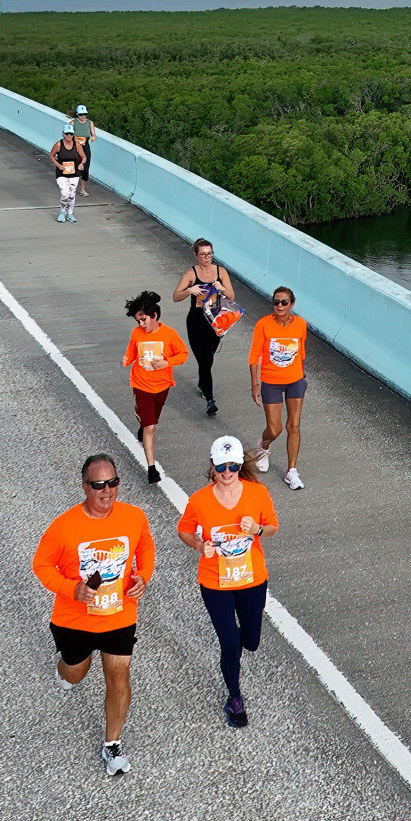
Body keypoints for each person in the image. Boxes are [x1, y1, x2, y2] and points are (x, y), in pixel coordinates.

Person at [31, 454, 154, 776]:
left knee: (119, 676)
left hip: (119, 614)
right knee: (75, 673)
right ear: (85, 487)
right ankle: (65, 671)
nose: (107, 491)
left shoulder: (133, 517)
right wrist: (72, 589)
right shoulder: (64, 526)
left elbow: (145, 548)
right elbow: (41, 565)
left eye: (113, 482)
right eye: (98, 484)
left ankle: (112, 744)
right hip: (75, 620)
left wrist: (144, 576)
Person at [177, 436, 276, 729]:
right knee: (230, 643)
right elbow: (184, 530)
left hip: (251, 580)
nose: (228, 472)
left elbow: (272, 527)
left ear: (240, 465)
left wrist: (256, 529)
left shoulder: (257, 493)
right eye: (222, 466)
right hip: (215, 581)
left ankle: (239, 642)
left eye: (233, 466)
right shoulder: (199, 500)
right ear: (212, 466)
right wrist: (198, 545)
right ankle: (235, 699)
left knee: (251, 642)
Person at [121, 290, 189, 484]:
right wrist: (126, 360)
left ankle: (144, 427)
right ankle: (152, 468)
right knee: (150, 427)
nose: (141, 325)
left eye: (144, 320)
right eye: (138, 321)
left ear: (154, 316)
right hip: (141, 384)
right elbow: (132, 352)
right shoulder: (136, 333)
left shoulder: (169, 334)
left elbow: (182, 354)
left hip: (162, 386)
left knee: (152, 422)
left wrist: (166, 363)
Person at [247, 287, 308, 490]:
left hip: (295, 380)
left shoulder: (300, 324)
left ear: (292, 304)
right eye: (276, 302)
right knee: (275, 429)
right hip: (271, 381)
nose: (279, 306)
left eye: (284, 302)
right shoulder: (263, 324)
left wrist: (302, 374)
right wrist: (255, 385)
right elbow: (254, 356)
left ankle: (291, 471)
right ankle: (263, 447)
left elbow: (301, 352)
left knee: (294, 426)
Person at [173, 238, 236, 418]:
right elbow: (175, 296)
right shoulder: (191, 274)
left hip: (215, 320)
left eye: (209, 254)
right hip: (196, 321)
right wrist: (189, 291)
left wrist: (222, 287)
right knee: (204, 359)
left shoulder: (220, 271)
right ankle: (210, 400)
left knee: (209, 356)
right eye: (203, 255)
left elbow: (232, 295)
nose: (206, 258)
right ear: (196, 255)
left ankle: (202, 383)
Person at [48, 122, 86, 223]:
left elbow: (84, 157)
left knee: (72, 194)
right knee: (64, 194)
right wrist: (58, 165)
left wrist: (82, 164)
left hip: (74, 173)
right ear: (63, 134)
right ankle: (62, 212)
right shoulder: (58, 144)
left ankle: (70, 213)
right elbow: (51, 155)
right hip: (62, 174)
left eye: (71, 134)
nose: (69, 136)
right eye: (67, 134)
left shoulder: (77, 145)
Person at [67, 104, 96, 200]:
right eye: (81, 115)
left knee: (85, 167)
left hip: (85, 146)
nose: (83, 117)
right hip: (75, 146)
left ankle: (82, 189)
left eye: (85, 114)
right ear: (77, 114)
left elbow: (93, 134)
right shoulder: (72, 123)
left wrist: (92, 137)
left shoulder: (90, 123)